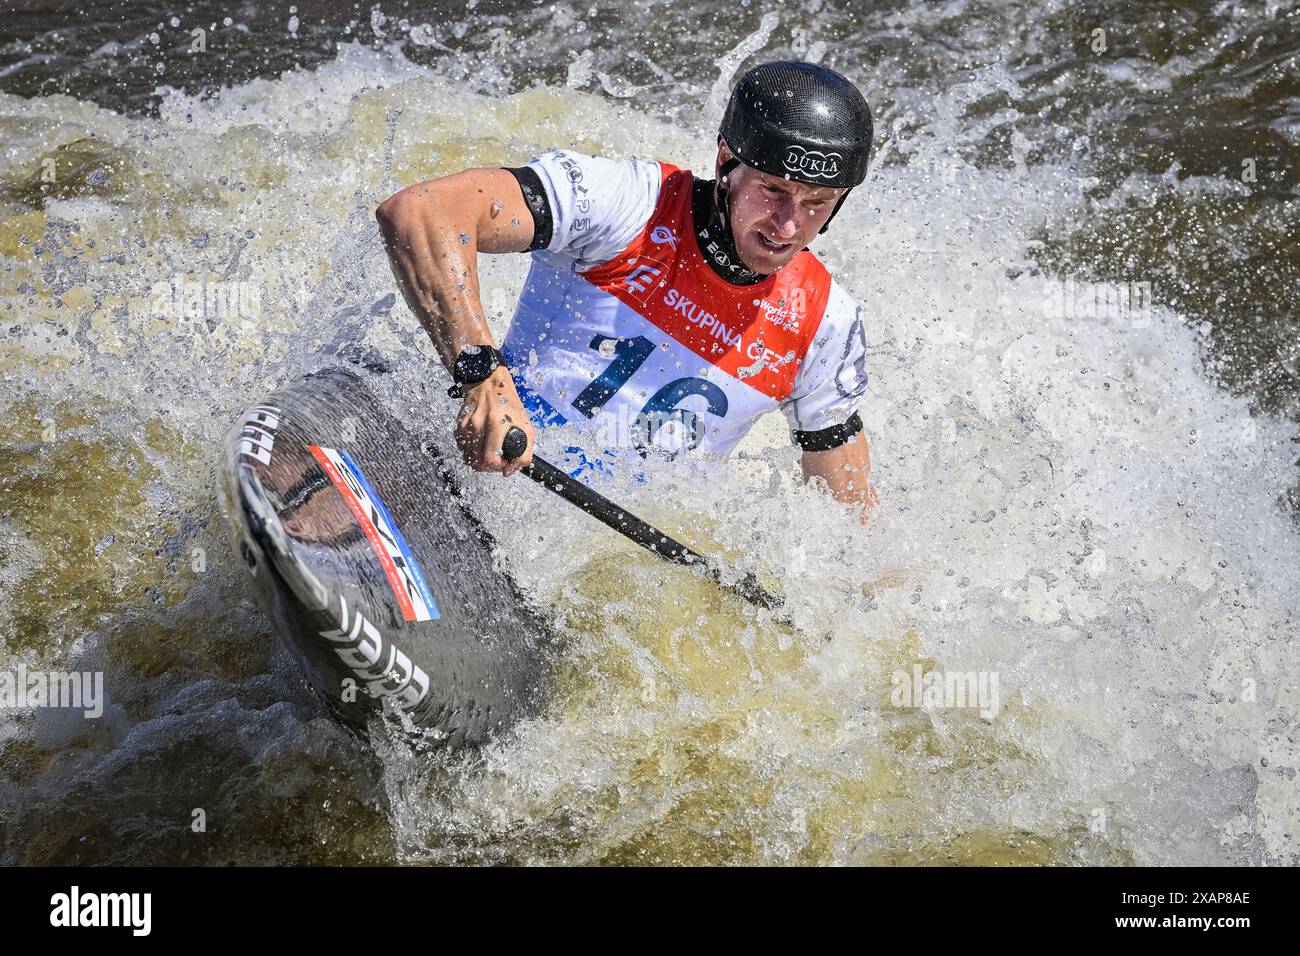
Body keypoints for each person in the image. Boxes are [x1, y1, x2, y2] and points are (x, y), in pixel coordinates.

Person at [377, 60, 878, 521]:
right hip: (482, 478)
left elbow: (849, 526)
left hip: (598, 574)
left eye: (818, 202)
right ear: (726, 162)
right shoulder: (626, 203)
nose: (789, 226)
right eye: (773, 191)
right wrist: (483, 380)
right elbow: (423, 211)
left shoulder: (824, 323)